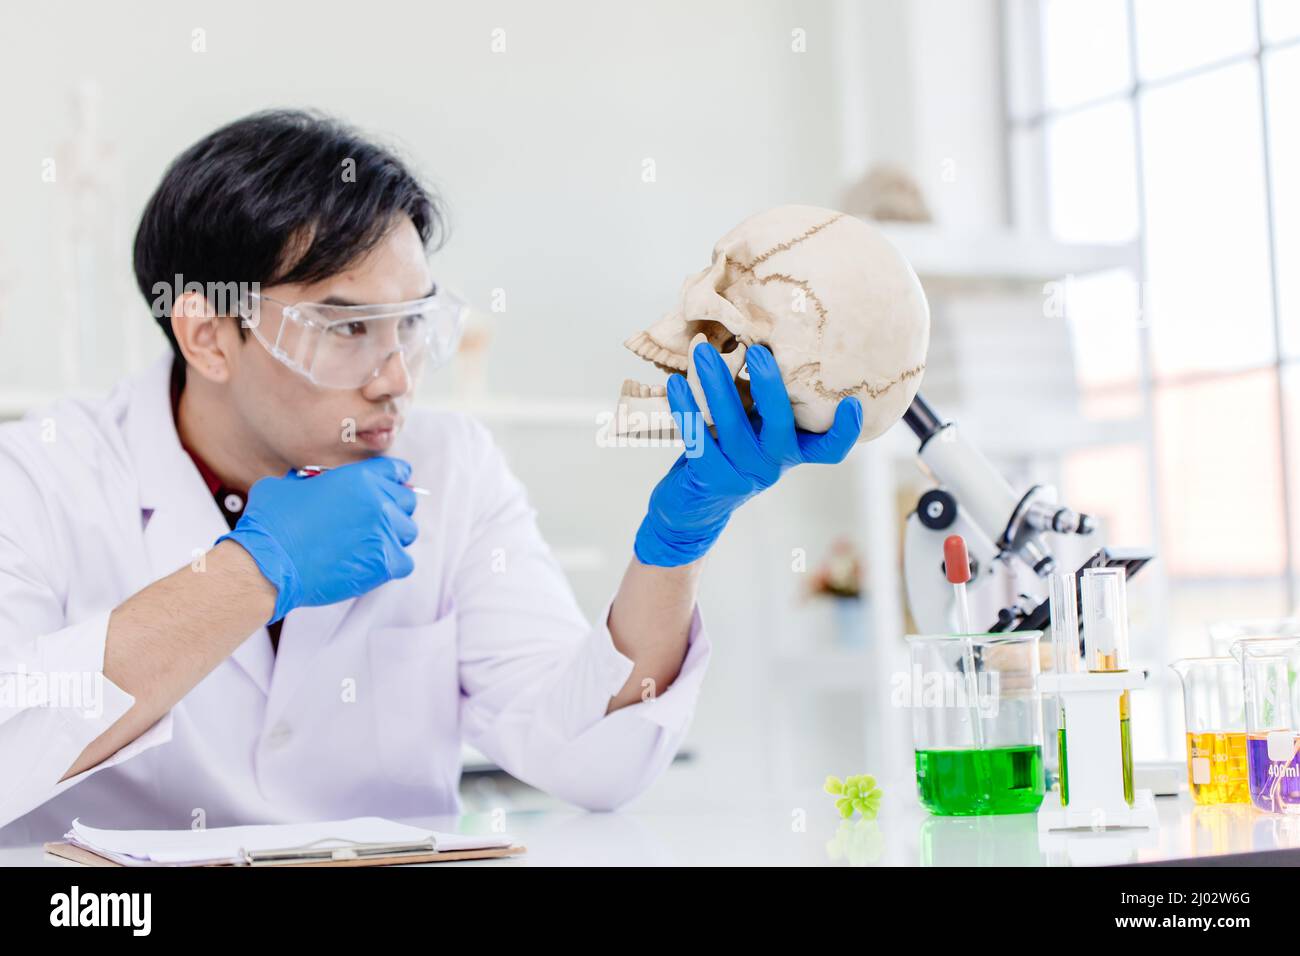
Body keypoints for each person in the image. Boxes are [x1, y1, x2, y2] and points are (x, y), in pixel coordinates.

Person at [0, 110, 862, 842]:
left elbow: (587, 760)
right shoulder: (42, 479)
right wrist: (248, 575)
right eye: (347, 329)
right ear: (206, 336)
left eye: (411, 325)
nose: (397, 378)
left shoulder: (453, 469)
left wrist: (680, 540)